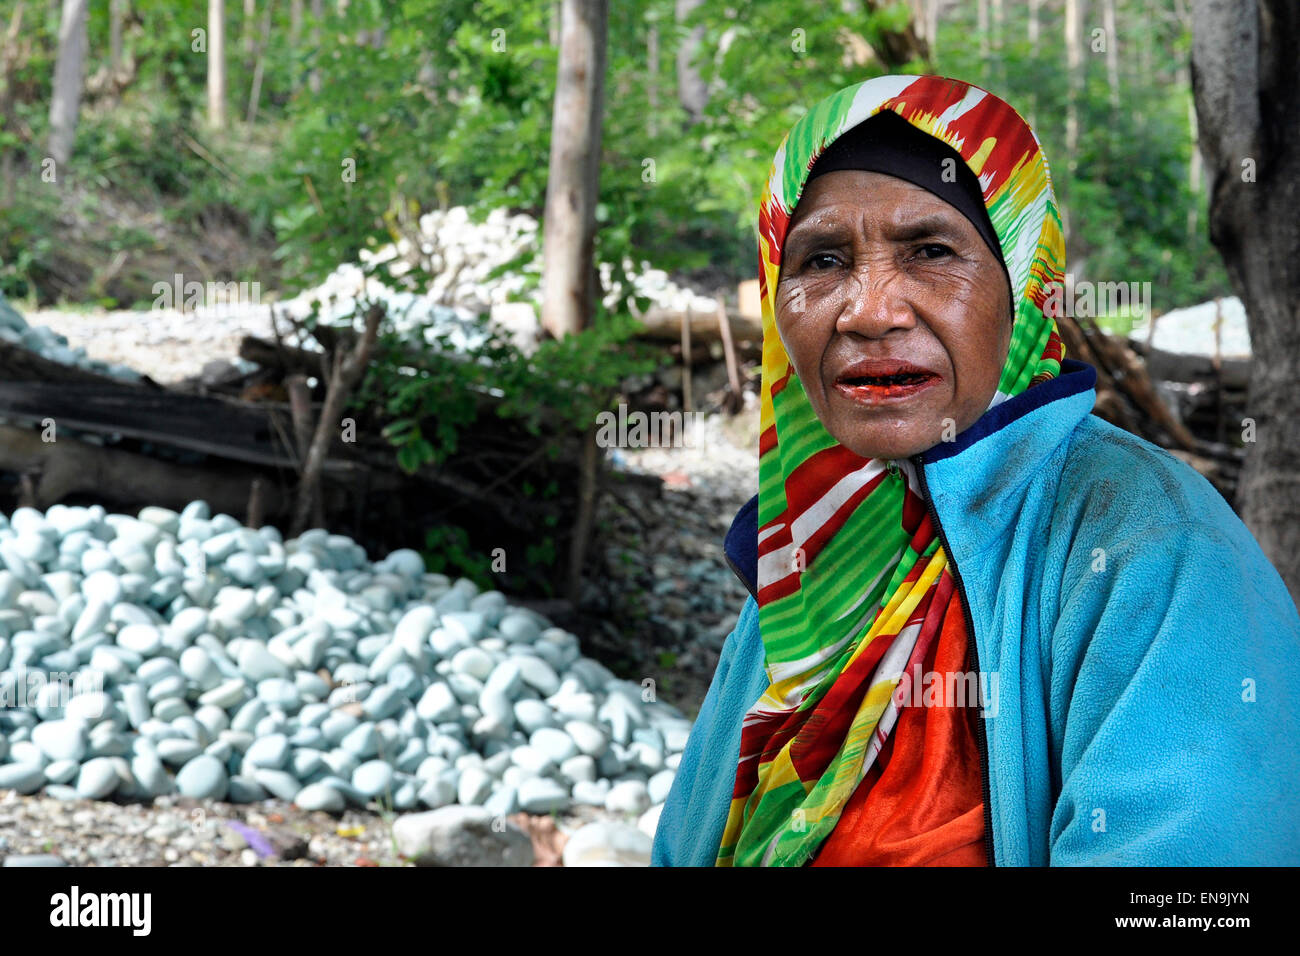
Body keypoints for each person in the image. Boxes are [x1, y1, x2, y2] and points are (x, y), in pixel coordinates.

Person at [651, 74, 1300, 867]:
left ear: (1024, 290)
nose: (869, 310)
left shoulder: (1149, 545)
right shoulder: (806, 579)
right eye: (822, 259)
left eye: (930, 252)